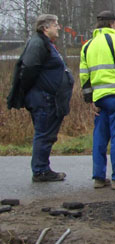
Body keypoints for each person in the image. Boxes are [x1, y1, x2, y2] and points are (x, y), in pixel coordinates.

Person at [6, 14, 74, 182]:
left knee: (47, 135)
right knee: (44, 135)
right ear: (45, 28)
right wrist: (38, 90)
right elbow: (29, 69)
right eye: (55, 24)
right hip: (43, 99)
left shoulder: (45, 43)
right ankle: (40, 170)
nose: (58, 27)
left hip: (48, 98)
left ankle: (43, 167)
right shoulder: (38, 43)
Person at [79, 10, 115, 189]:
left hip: (99, 98)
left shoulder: (88, 45)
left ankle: (98, 177)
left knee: (100, 136)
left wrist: (90, 99)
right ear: (113, 24)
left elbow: (84, 75)